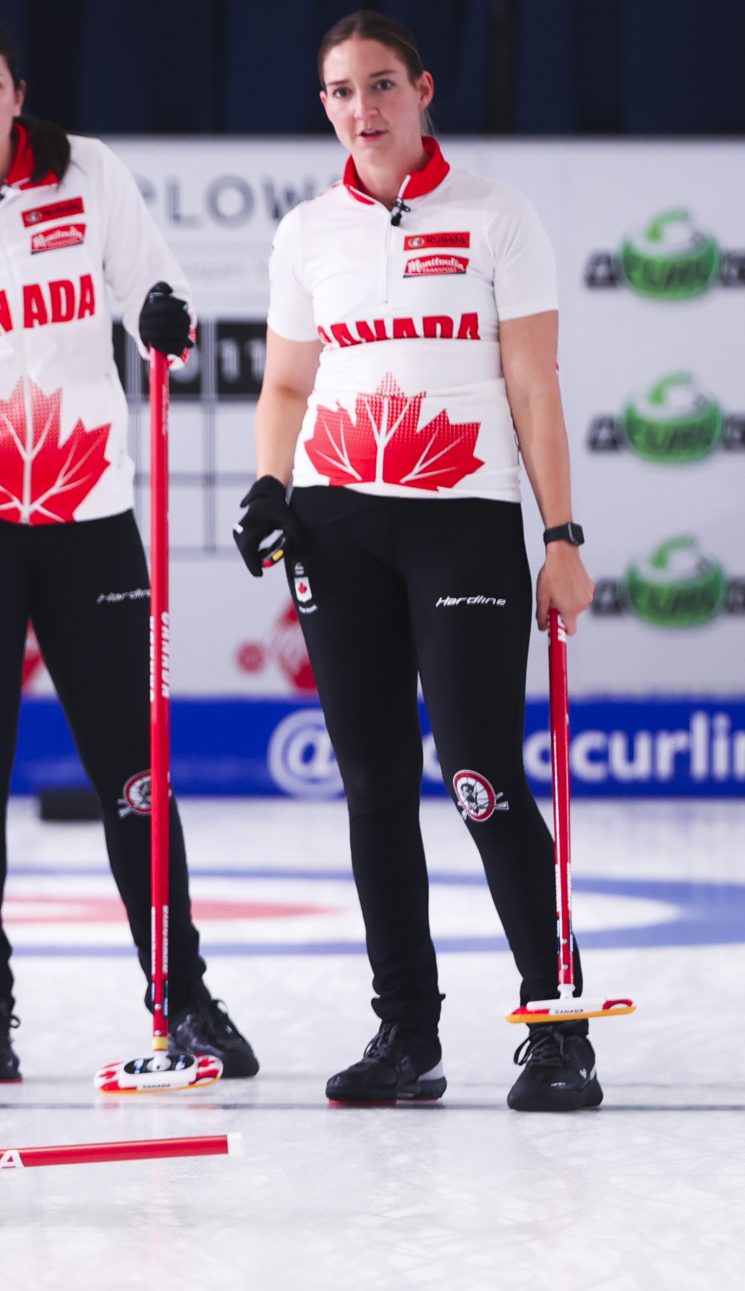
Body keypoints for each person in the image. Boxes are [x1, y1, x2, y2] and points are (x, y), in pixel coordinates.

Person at [0, 10, 257, 1084]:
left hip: (89, 521)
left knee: (133, 774)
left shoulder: (91, 176)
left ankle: (182, 994)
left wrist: (165, 317)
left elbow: (163, 293)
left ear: (18, 94)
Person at [232, 12, 601, 1113]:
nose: (364, 110)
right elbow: (288, 388)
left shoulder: (495, 216)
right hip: (336, 525)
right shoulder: (305, 233)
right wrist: (267, 486)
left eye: (381, 86)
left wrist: (562, 536)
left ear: (423, 89)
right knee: (375, 789)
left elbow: (533, 382)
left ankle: (557, 1023)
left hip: (461, 520)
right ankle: (406, 1034)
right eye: (342, 92)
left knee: (479, 776)